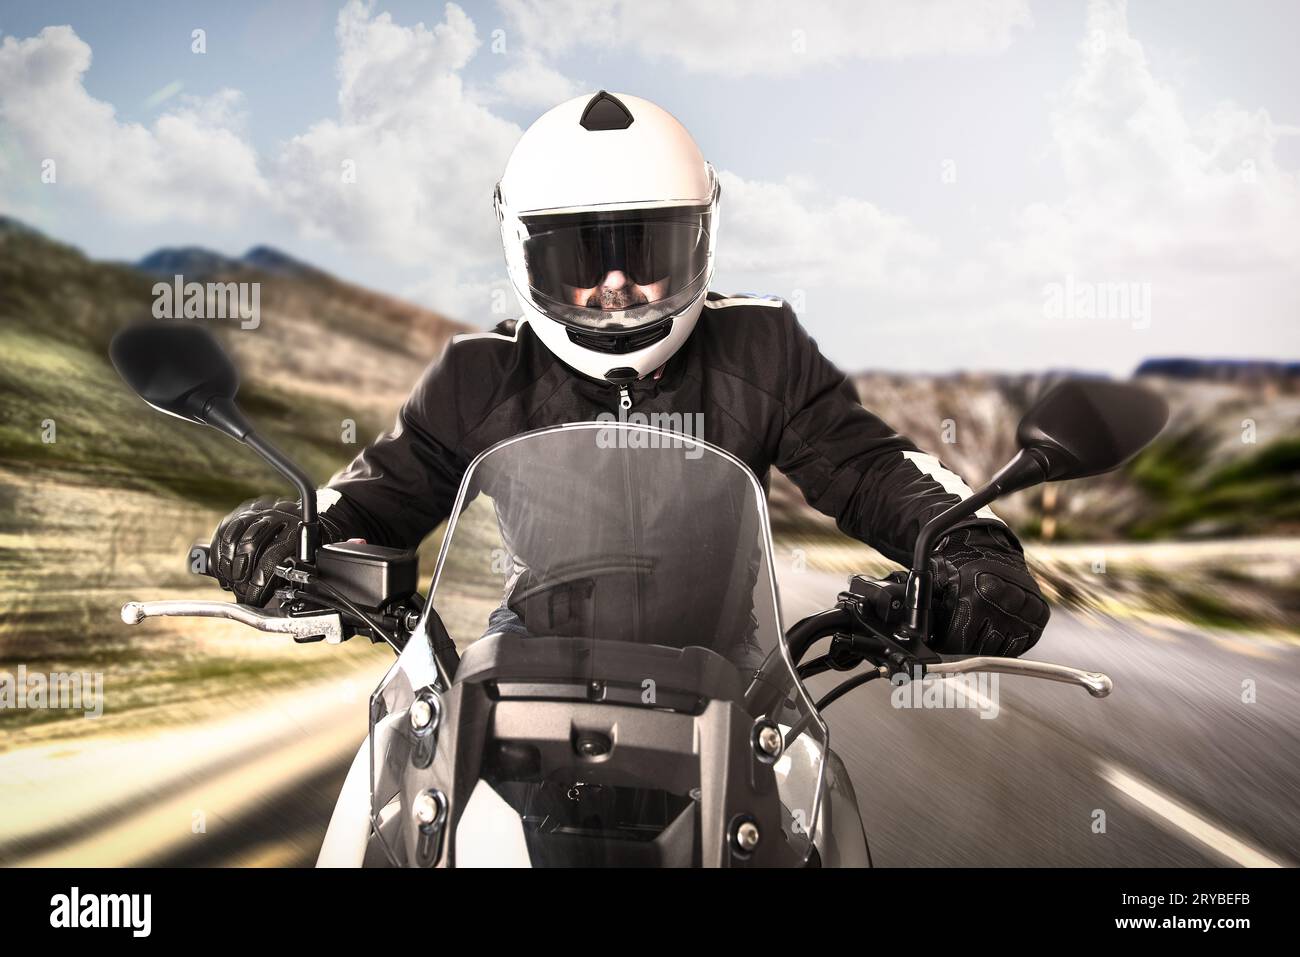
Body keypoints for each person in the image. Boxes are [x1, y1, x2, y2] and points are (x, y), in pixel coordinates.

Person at [210, 91, 1049, 658]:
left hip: (736, 690)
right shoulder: (478, 376)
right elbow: (376, 502)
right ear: (524, 252)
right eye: (585, 255)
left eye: (641, 249)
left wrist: (967, 545)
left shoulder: (761, 345)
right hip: (517, 687)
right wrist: (294, 534)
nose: (615, 284)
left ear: (699, 240)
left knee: (818, 817)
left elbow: (870, 471)